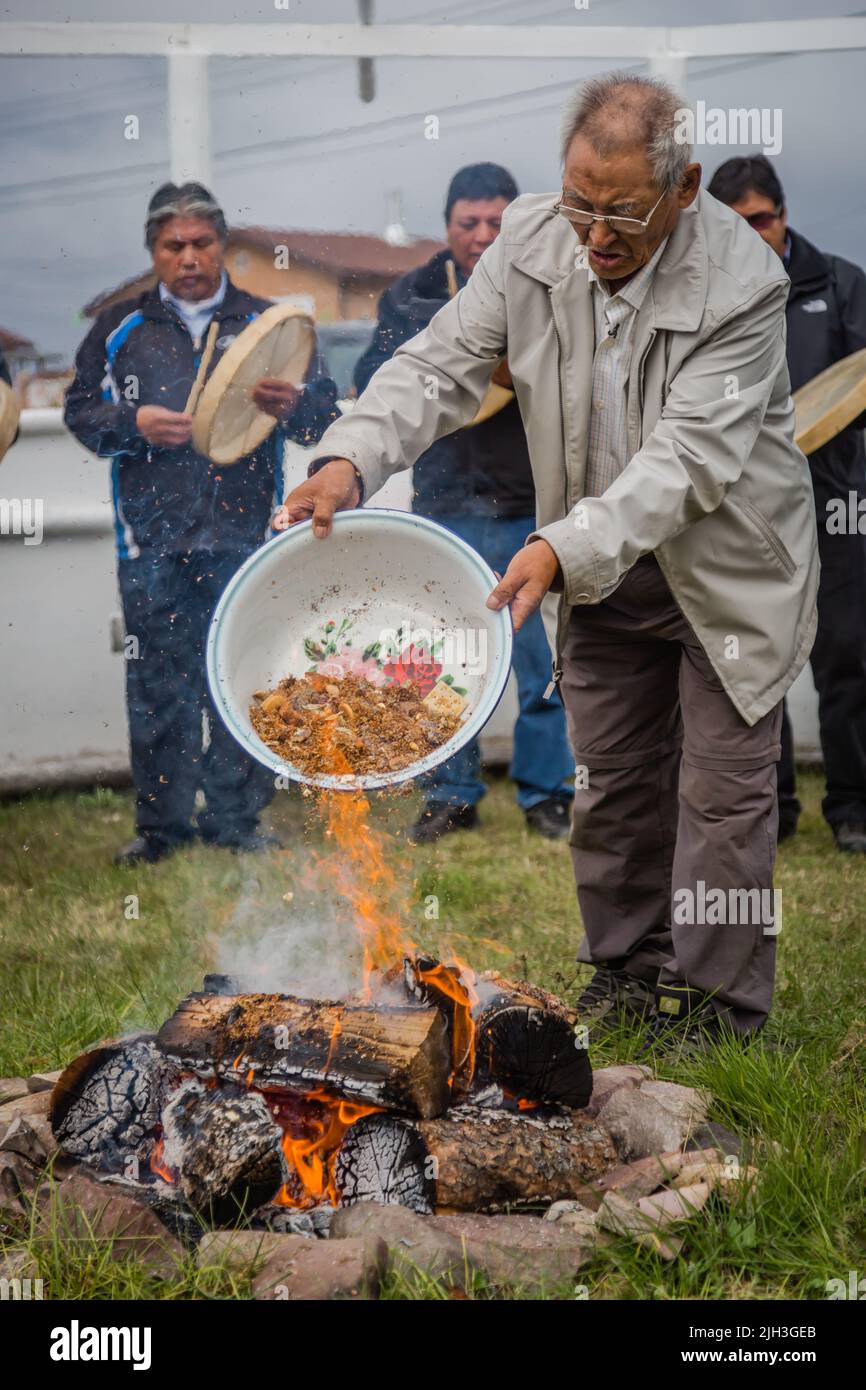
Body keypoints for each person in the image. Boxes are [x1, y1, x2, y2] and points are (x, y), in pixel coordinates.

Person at [274, 72, 819, 1057]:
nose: (592, 235)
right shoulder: (530, 243)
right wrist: (347, 457)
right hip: (598, 570)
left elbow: (684, 463)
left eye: (619, 213)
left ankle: (715, 1015)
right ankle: (625, 971)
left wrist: (556, 544)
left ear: (685, 187)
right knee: (611, 782)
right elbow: (439, 364)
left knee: (720, 804)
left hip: (727, 571)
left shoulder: (742, 285)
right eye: (577, 202)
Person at [65, 182, 340, 864]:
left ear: (221, 245)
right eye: (173, 245)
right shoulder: (118, 328)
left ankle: (236, 821)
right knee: (159, 684)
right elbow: (79, 412)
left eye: (201, 242)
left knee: (245, 680)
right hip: (151, 539)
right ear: (153, 252)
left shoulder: (268, 324)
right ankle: (162, 830)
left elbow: (323, 416)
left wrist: (292, 403)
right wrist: (133, 423)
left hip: (247, 536)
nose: (188, 256)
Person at [354, 163, 575, 842]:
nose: (482, 236)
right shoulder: (413, 292)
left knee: (542, 662)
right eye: (468, 223)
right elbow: (372, 378)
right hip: (445, 510)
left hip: (531, 507)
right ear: (446, 225)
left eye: (497, 223)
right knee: (440, 660)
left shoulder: (549, 287)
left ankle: (547, 794)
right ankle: (451, 793)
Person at [708, 155, 866, 854]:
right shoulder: (707, 297)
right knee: (758, 662)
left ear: (783, 214)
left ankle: (854, 806)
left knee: (847, 655)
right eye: (733, 226)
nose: (750, 236)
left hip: (835, 506)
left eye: (760, 220)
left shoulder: (840, 284)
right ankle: (771, 807)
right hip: (747, 511)